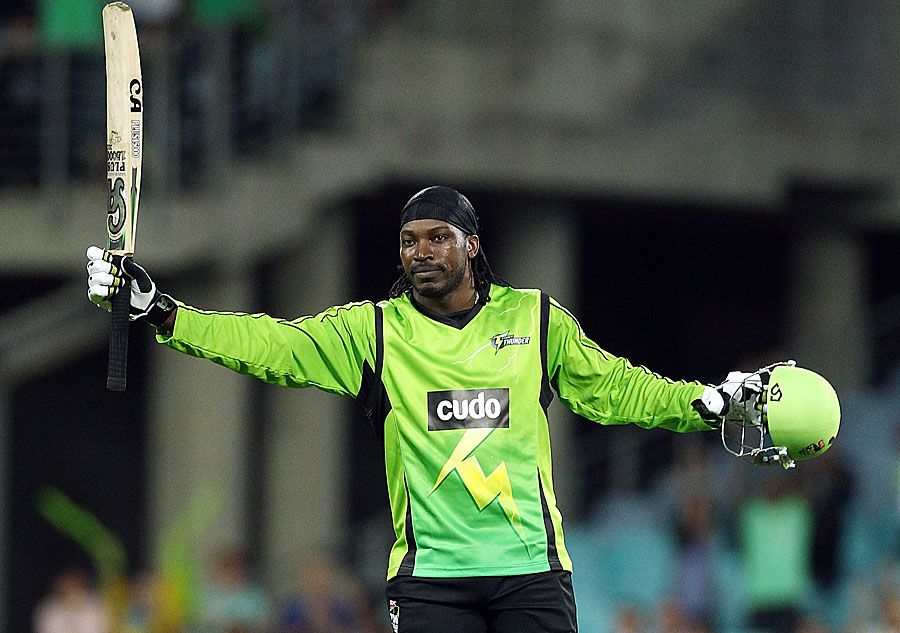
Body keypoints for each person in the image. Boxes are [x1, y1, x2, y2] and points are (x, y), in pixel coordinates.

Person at [86, 186, 759, 633]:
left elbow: (617, 388)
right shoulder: (374, 331)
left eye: (438, 237)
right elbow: (273, 345)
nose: (421, 251)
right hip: (431, 581)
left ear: (471, 244)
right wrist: (166, 314)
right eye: (410, 240)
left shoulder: (534, 317)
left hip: (533, 572)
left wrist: (699, 404)